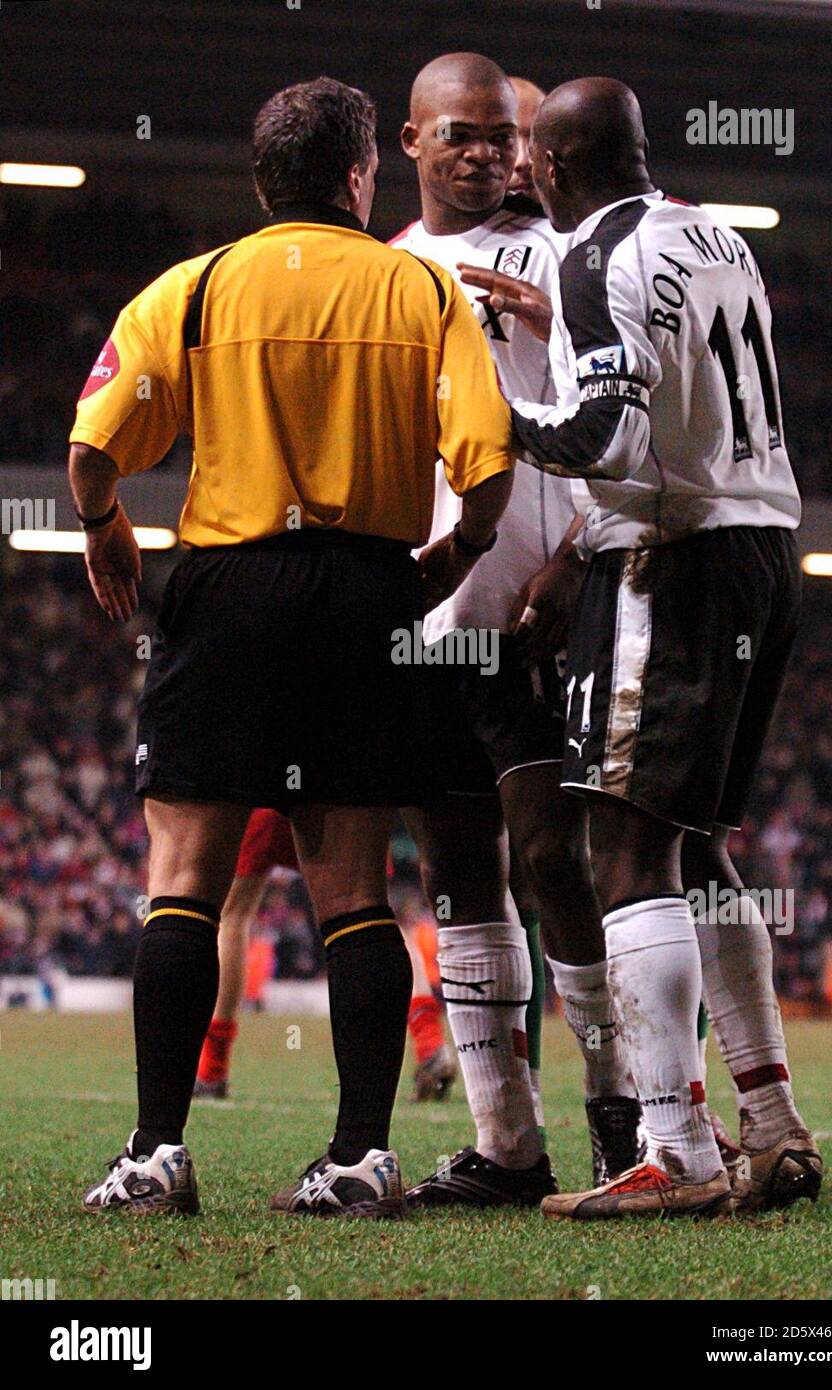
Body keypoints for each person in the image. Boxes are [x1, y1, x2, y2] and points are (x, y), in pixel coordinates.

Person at [69, 76, 513, 1219]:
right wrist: (454, 558)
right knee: (355, 889)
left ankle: (157, 1154)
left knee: (184, 883)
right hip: (368, 591)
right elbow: (490, 466)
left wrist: (108, 531)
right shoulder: (419, 288)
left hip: (228, 589)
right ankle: (362, 1154)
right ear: (363, 175)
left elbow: (93, 448)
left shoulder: (197, 286)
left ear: (263, 181)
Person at [507, 77, 821, 1219]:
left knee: (627, 855)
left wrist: (480, 410)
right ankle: (772, 1120)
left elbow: (608, 434)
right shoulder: (717, 233)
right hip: (764, 549)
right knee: (697, 848)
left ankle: (675, 1146)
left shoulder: (589, 259)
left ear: (551, 167)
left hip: (671, 560)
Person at [391, 54, 642, 1209]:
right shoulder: (384, 273)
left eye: (505, 137)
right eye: (465, 135)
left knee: (553, 858)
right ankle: (506, 1140)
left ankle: (619, 1119)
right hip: (429, 618)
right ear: (413, 144)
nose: (490, 154)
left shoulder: (559, 258)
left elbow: (616, 424)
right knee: (453, 874)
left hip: (541, 610)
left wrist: (573, 551)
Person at [193, 808, 456, 1101]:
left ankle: (213, 1070)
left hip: (270, 789)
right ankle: (430, 1042)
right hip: (343, 786)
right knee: (375, 912)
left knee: (234, 914)